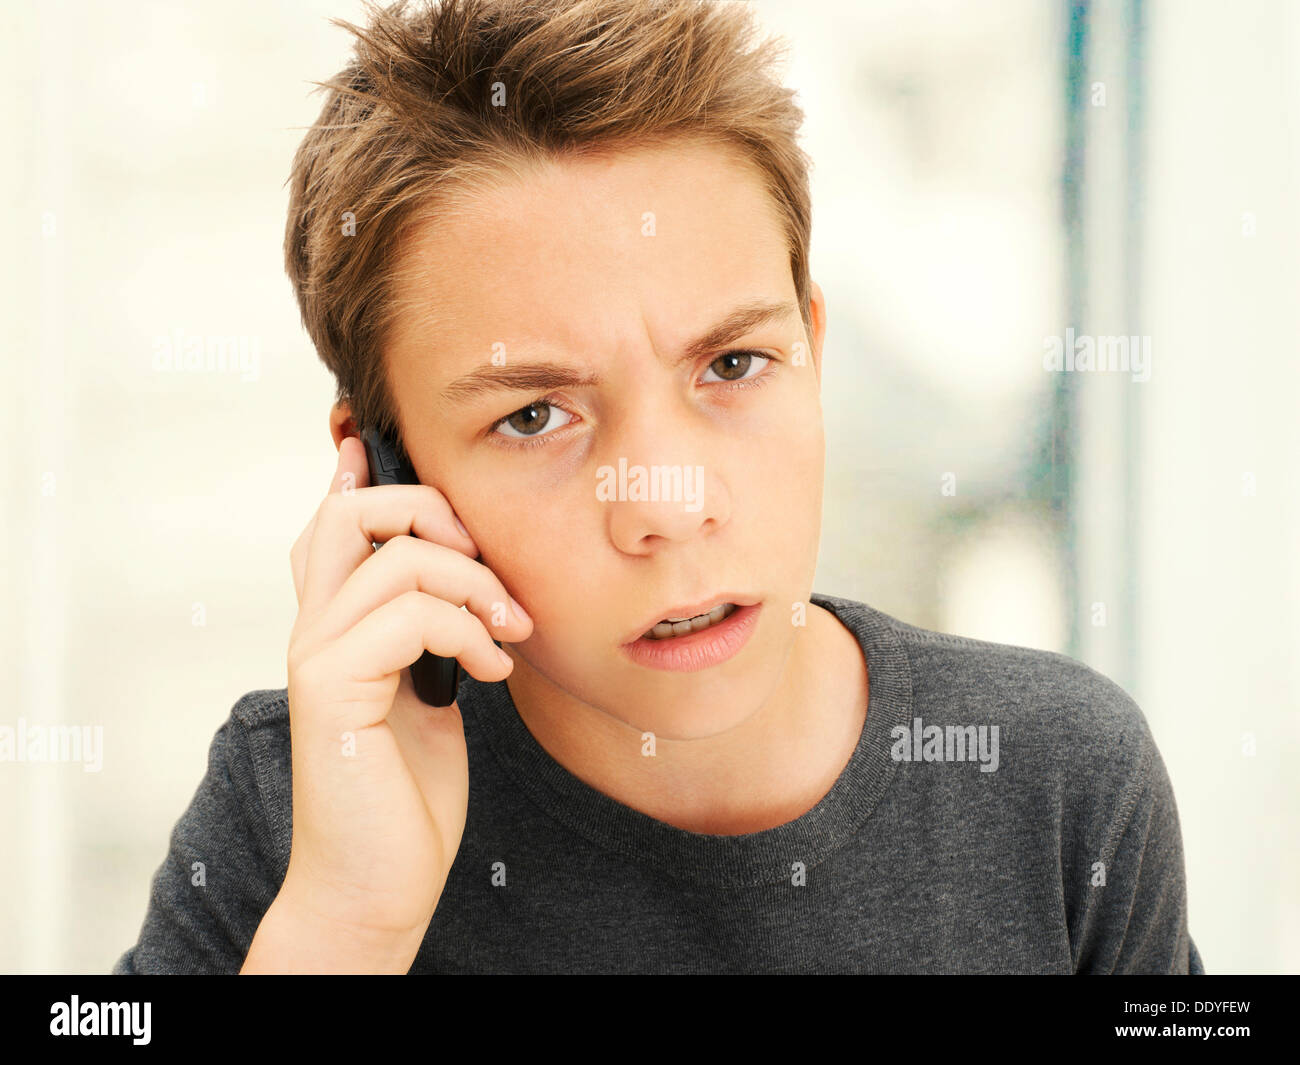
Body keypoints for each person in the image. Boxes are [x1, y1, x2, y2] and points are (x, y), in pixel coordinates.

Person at [113, 0, 1202, 974]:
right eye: (533, 417)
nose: (670, 504)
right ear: (387, 474)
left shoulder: (1058, 782)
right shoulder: (302, 806)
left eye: (732, 366)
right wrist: (349, 926)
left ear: (811, 351)